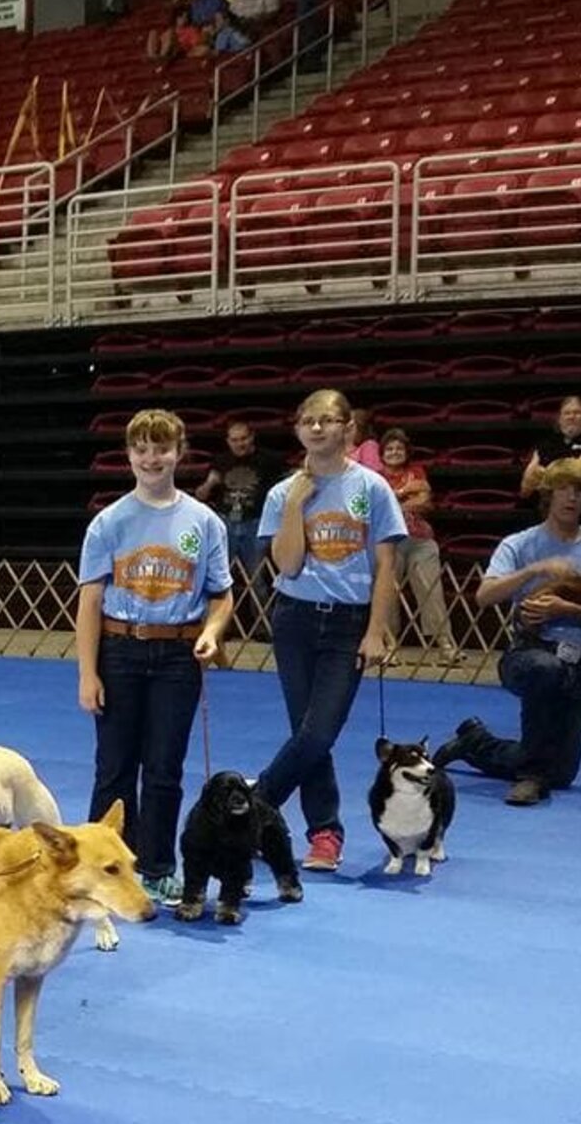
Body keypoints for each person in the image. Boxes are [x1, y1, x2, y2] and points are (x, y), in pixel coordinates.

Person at [76, 409, 233, 907]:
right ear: (129, 455)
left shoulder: (205, 522)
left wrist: (211, 631)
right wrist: (87, 672)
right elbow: (89, 603)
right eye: (141, 449)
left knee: (165, 767)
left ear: (179, 453)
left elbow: (222, 594)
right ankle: (102, 864)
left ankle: (161, 866)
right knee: (115, 767)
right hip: (118, 650)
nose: (151, 458)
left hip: (177, 655)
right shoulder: (108, 523)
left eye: (161, 449)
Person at [254, 389, 404, 871]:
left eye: (328, 421)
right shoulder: (281, 494)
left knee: (318, 733)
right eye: (308, 421)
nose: (317, 429)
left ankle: (257, 804)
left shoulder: (373, 488)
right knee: (306, 733)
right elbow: (289, 564)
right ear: (297, 429)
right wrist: (297, 505)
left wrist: (377, 630)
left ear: (348, 430)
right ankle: (325, 833)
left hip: (348, 624)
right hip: (295, 619)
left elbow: (386, 566)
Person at [435, 458, 581, 806]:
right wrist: (534, 569)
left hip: (577, 658)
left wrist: (567, 610)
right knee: (546, 670)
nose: (571, 498)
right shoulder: (519, 543)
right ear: (548, 495)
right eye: (563, 489)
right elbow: (485, 597)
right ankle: (530, 778)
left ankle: (475, 742)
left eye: (579, 491)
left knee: (560, 773)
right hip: (528, 653)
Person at [374, 428, 460, 667]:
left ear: (407, 452)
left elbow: (424, 501)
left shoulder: (417, 471)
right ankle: (389, 646)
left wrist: (393, 499)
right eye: (389, 449)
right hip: (388, 541)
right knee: (387, 593)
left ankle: (446, 645)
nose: (394, 453)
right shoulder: (374, 478)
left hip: (420, 538)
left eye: (399, 449)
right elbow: (371, 507)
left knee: (431, 588)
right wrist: (404, 495)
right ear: (382, 453)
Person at [198, 419, 281, 583]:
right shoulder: (220, 461)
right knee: (220, 576)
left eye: (243, 439)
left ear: (252, 437)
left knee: (257, 579)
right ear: (228, 442)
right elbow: (201, 496)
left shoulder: (269, 460)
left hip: (256, 524)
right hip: (226, 524)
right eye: (234, 440)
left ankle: (260, 610)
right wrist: (209, 483)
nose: (239, 444)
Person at [519, 395, 581, 497]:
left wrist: (550, 473)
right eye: (567, 413)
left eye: (577, 413)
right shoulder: (544, 446)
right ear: (559, 419)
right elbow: (526, 489)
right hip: (550, 502)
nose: (571, 417)